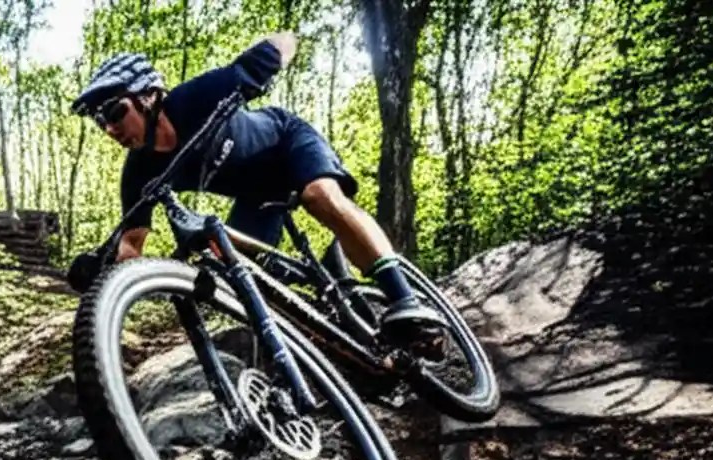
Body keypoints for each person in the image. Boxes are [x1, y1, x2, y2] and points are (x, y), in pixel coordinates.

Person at [67, 33, 444, 348]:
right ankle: (322, 294)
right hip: (256, 197)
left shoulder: (197, 96)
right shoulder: (139, 171)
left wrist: (270, 62)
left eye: (115, 112)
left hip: (287, 144)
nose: (110, 128)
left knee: (320, 197)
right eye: (101, 121)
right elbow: (131, 245)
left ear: (147, 96)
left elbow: (285, 40)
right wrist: (103, 279)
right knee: (232, 262)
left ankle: (404, 299)